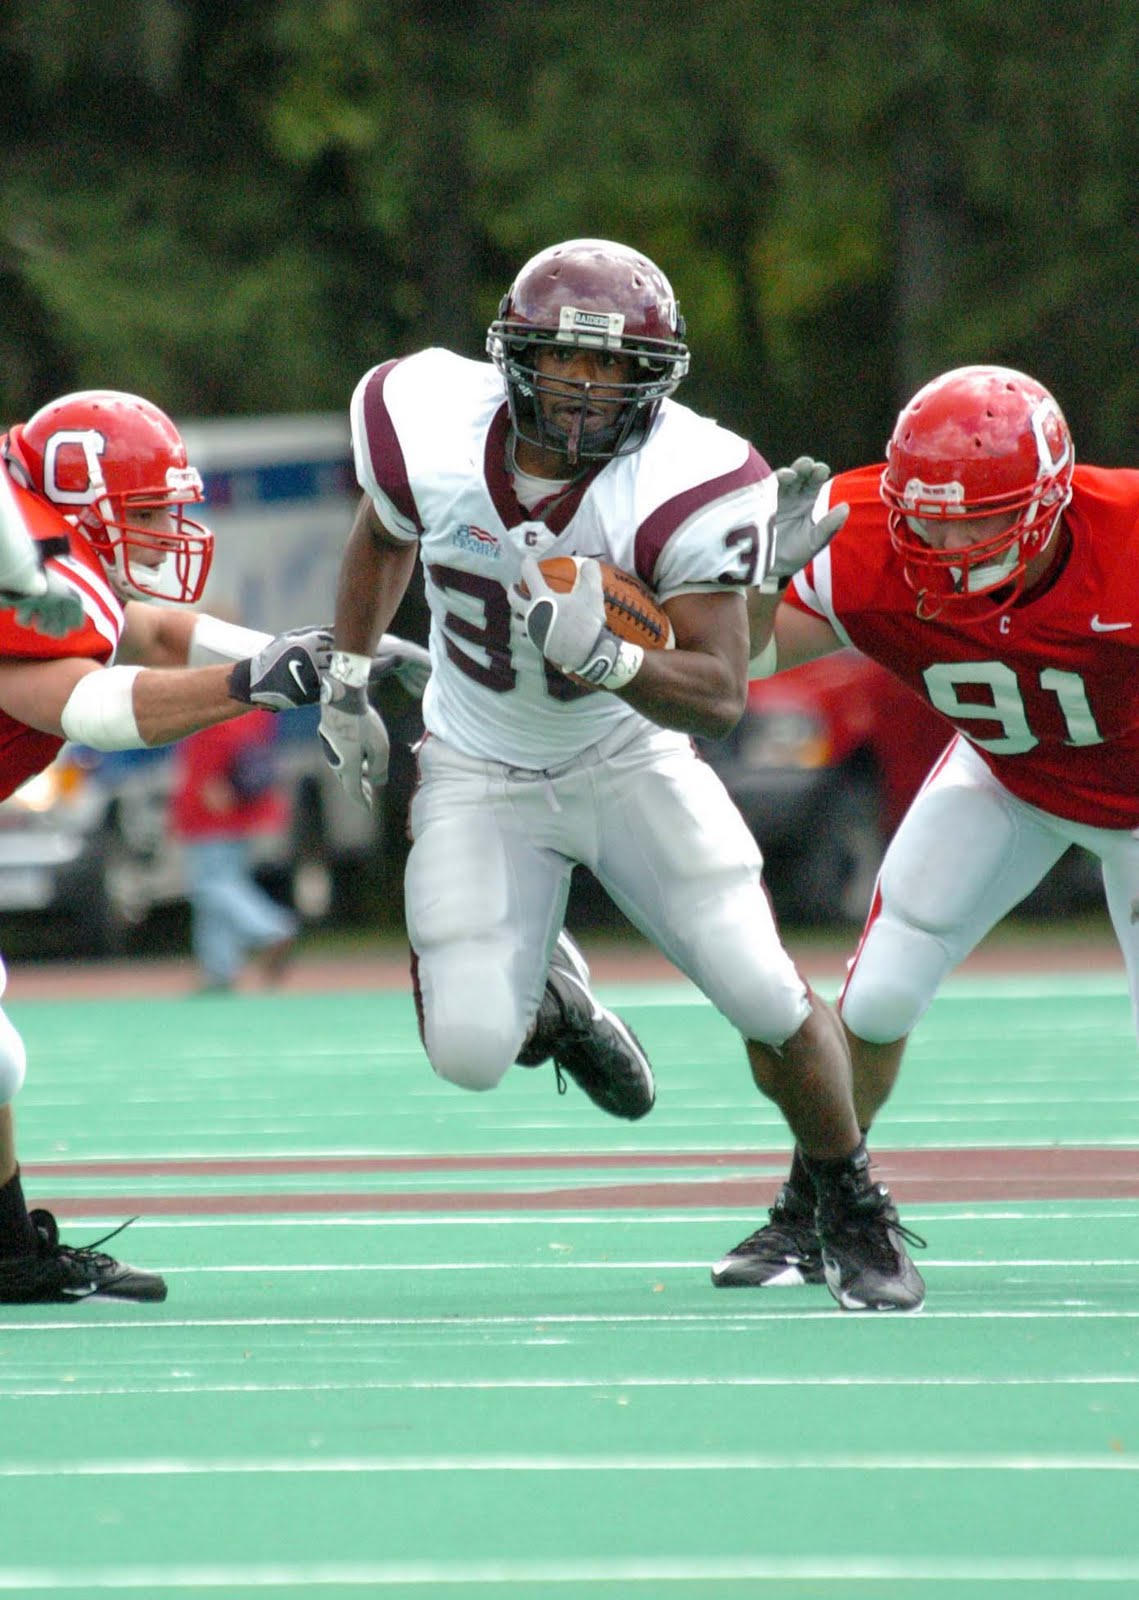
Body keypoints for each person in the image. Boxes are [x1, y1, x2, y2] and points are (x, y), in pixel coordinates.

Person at [315, 236, 925, 1313]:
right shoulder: (424, 422)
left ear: (654, 380)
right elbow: (383, 531)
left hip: (624, 756)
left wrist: (611, 657)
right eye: (564, 362)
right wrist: (349, 673)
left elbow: (720, 691)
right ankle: (552, 1003)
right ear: (513, 355)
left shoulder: (688, 478)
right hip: (476, 762)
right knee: (464, 1050)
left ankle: (849, 1200)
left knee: (761, 990)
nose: (587, 391)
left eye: (612, 371)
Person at [716, 361, 1139, 1290]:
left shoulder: (1128, 535)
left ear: (1051, 502)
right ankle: (816, 1206)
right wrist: (754, 583)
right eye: (927, 515)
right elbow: (741, 662)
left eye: (977, 517)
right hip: (1011, 776)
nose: (945, 539)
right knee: (877, 993)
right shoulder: (856, 533)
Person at [0, 387, 419, 1304]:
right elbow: (81, 705)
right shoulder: (22, 569)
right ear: (79, 496)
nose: (163, 533)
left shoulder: (45, 544)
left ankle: (7, 1254)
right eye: (146, 514)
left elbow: (147, 627)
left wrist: (305, 648)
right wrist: (253, 683)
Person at [170, 707, 299, 993]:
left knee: (211, 884)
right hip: (234, 806)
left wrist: (218, 782)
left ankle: (270, 928)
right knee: (220, 886)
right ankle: (218, 969)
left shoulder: (221, 699)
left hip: (213, 804)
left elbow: (226, 737)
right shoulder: (254, 697)